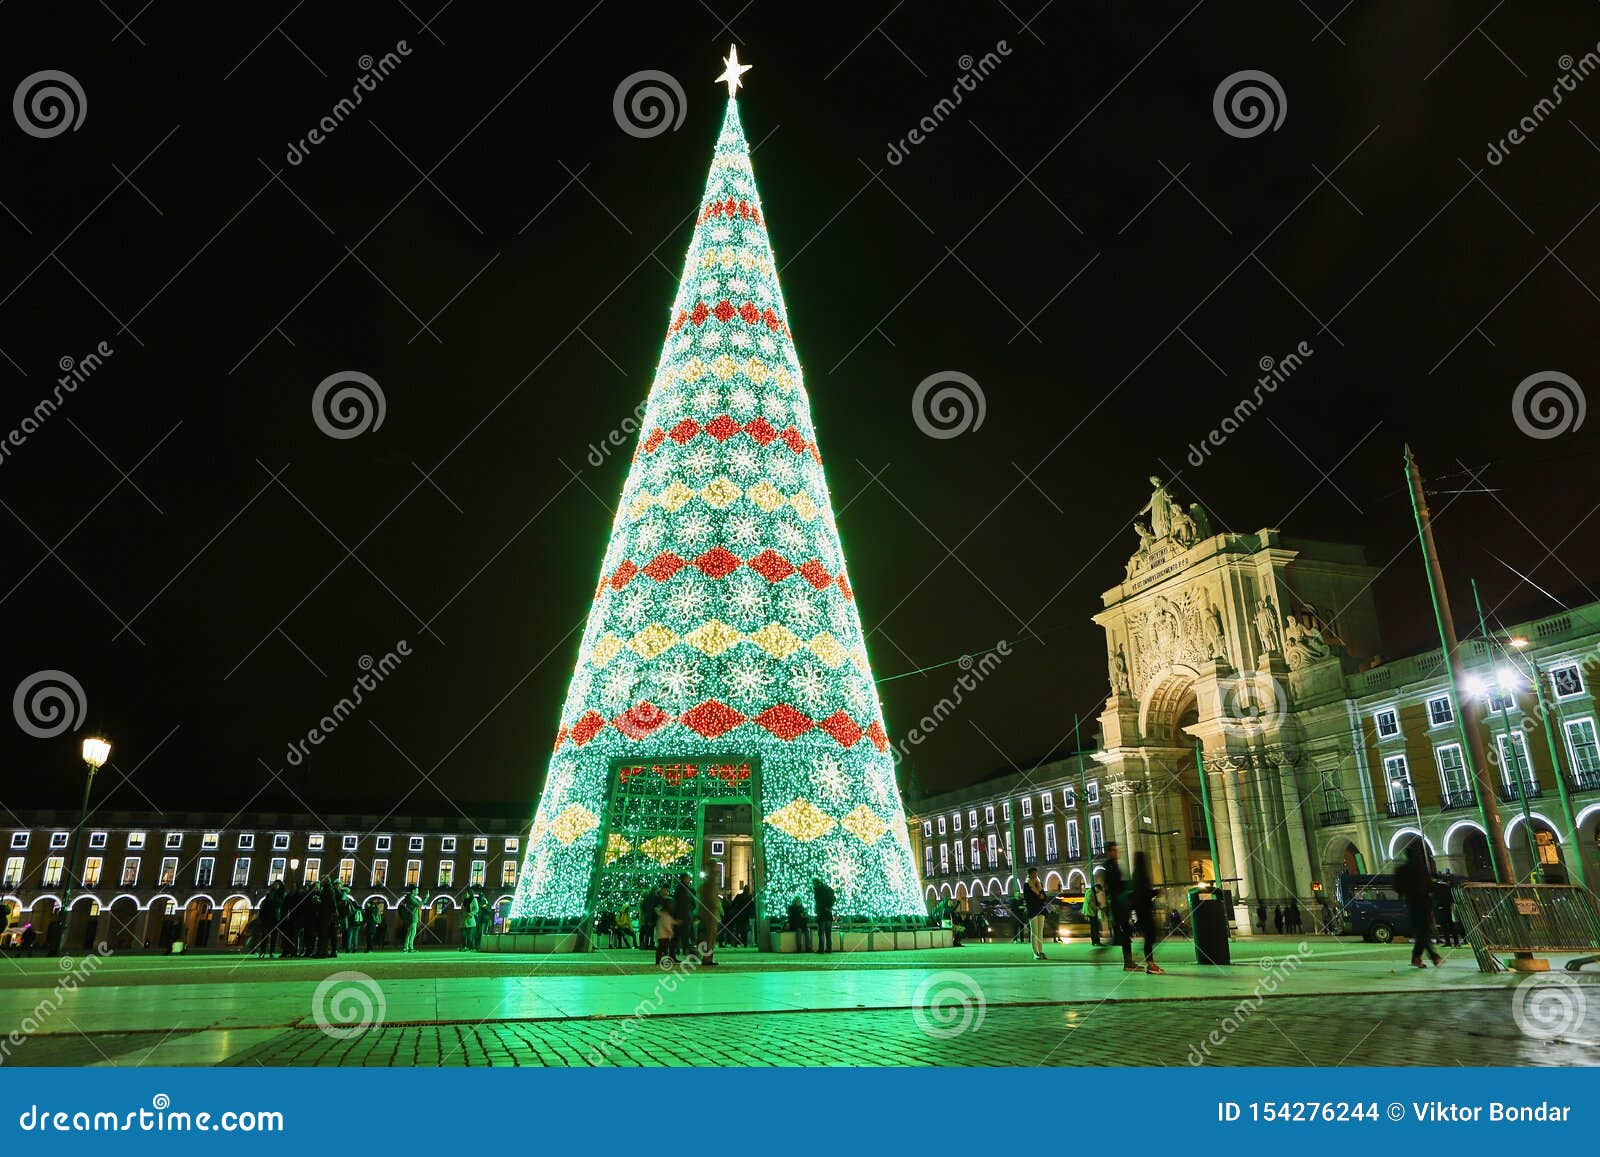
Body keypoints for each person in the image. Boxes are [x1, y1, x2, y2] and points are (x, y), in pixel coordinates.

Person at [1396, 839, 1443, 969]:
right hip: (1424, 901)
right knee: (1423, 931)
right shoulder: (1421, 868)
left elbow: (1397, 887)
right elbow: (1430, 886)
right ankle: (1430, 957)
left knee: (1422, 932)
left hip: (1411, 902)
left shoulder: (1401, 869)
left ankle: (1422, 957)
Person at [1101, 845, 1137, 972]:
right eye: (1115, 850)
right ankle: (1128, 962)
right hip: (1118, 904)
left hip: (1118, 903)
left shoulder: (1110, 865)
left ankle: (1128, 961)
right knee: (1125, 932)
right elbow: (1114, 886)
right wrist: (1128, 886)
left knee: (1122, 933)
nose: (1117, 852)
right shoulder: (1111, 867)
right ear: (1110, 852)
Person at [1130, 850, 1164, 974]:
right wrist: (1156, 892)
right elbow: (1143, 893)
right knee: (1151, 936)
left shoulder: (1136, 875)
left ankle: (1150, 963)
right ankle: (1150, 965)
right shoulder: (1141, 875)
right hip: (1144, 910)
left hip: (1142, 910)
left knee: (1151, 936)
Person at [1023, 867, 1049, 960]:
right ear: (1029, 874)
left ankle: (1041, 951)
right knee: (1034, 933)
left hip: (1041, 910)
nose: (1035, 875)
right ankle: (1035, 952)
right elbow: (1028, 898)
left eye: (1036, 873)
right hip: (1032, 911)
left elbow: (1044, 896)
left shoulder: (1039, 884)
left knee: (1040, 932)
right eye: (1033, 873)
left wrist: (1041, 896)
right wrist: (1039, 895)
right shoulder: (1026, 885)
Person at [812, 877, 836, 954]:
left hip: (822, 914)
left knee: (821, 932)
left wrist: (821, 908)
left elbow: (819, 901)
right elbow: (833, 898)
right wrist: (829, 907)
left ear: (814, 883)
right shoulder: (827, 888)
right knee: (828, 933)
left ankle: (821, 949)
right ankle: (829, 948)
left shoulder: (818, 890)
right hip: (828, 914)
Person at [673, 874, 695, 957]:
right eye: (688, 878)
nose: (689, 880)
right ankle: (682, 949)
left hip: (683, 915)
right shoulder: (682, 889)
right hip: (683, 915)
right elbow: (682, 903)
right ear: (684, 879)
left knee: (682, 933)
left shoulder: (682, 888)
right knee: (683, 933)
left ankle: (679, 949)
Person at [400, 885, 425, 952]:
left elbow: (417, 905)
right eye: (417, 890)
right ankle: (411, 947)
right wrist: (426, 898)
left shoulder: (410, 897)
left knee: (409, 932)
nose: (418, 891)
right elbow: (419, 904)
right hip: (412, 917)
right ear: (413, 891)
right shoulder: (410, 897)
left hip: (412, 917)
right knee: (412, 933)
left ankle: (406, 947)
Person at [655, 898, 678, 966]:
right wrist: (671, 932)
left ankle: (659, 960)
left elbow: (670, 922)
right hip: (664, 935)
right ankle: (660, 960)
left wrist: (676, 922)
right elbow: (667, 925)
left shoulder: (663, 915)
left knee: (661, 948)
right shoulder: (666, 916)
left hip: (661, 935)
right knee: (663, 949)